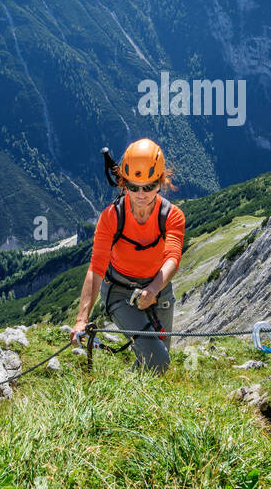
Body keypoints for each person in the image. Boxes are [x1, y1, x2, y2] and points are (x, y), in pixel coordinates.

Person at [72, 138, 186, 373]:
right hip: (121, 292)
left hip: (160, 290)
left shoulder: (172, 216)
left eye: (149, 186)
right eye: (133, 187)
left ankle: (132, 395)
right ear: (123, 184)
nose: (141, 194)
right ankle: (121, 396)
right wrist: (81, 319)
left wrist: (153, 289)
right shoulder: (111, 218)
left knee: (158, 362)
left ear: (160, 183)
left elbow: (173, 257)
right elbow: (96, 268)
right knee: (158, 361)